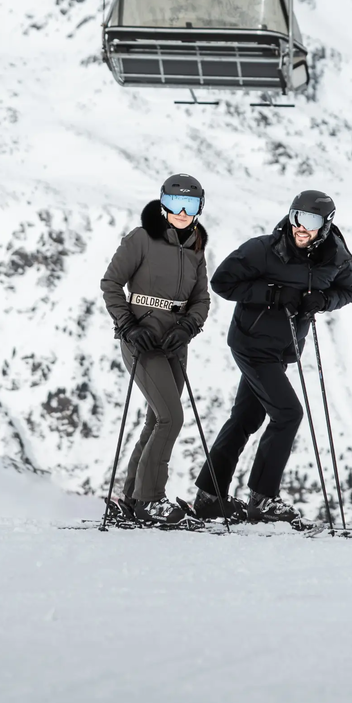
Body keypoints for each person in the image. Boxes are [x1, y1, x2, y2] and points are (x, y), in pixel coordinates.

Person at [192, 189, 352, 523]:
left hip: (284, 350)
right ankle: (263, 499)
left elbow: (348, 290)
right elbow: (222, 282)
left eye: (310, 220)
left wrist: (324, 302)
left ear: (326, 225)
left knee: (244, 420)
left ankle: (209, 497)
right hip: (251, 344)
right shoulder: (264, 249)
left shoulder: (335, 257)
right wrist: (270, 294)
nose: (301, 226)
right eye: (297, 216)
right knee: (288, 413)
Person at [100, 173, 210, 525]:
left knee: (155, 419)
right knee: (170, 418)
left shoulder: (196, 246)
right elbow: (111, 283)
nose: (182, 210)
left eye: (190, 204)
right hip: (142, 340)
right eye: (175, 203)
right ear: (162, 203)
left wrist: (188, 327)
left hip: (174, 341)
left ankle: (133, 498)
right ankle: (150, 500)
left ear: (199, 207)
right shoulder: (142, 238)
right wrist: (128, 326)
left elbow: (201, 298)